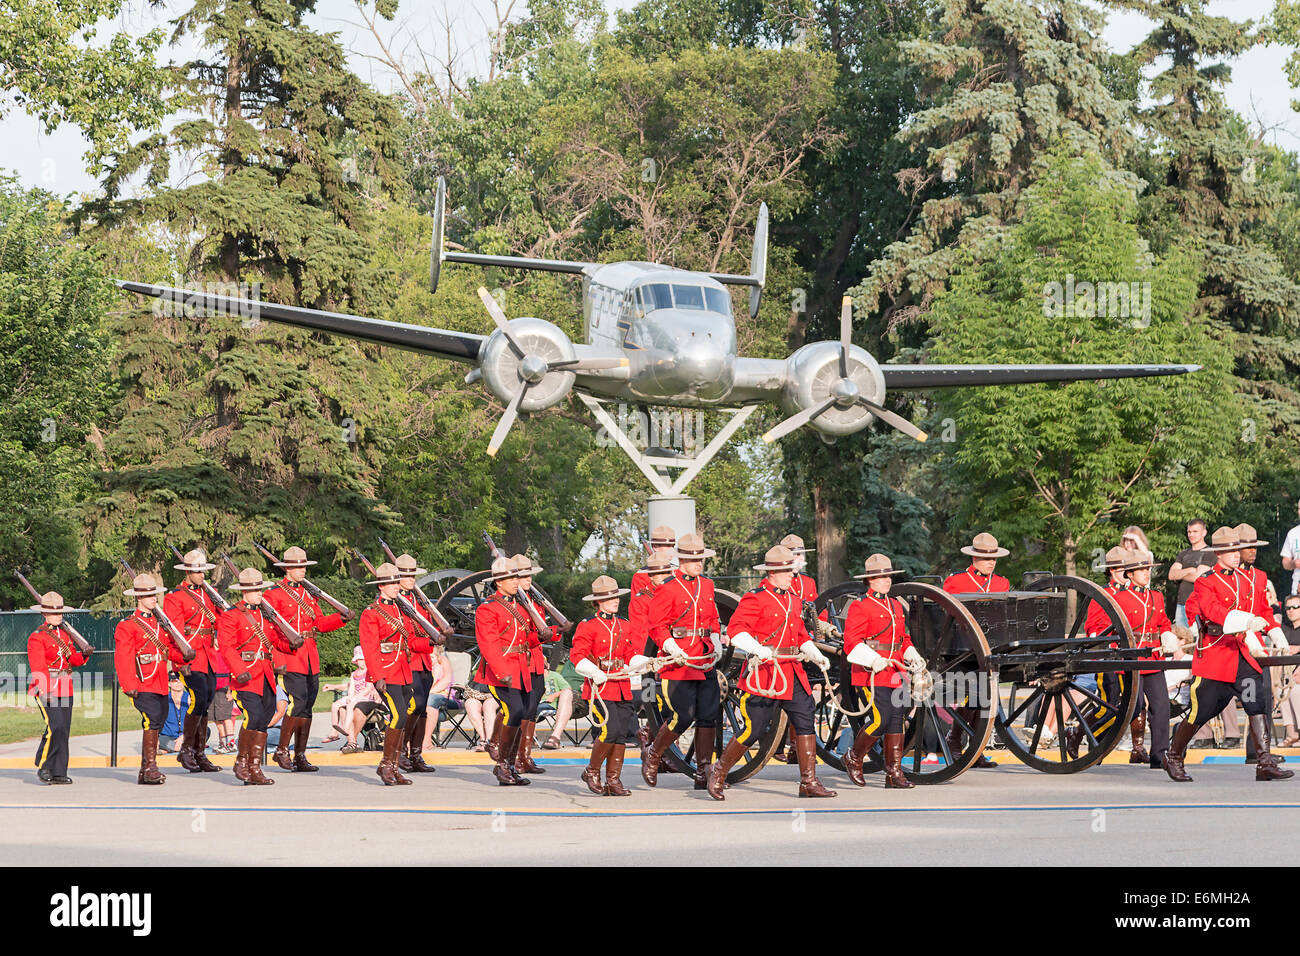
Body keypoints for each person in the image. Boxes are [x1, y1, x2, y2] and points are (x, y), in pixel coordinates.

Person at [1163, 527, 1293, 782]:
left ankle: (1264, 762)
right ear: (1219, 553)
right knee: (1200, 712)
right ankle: (1174, 756)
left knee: (1256, 704)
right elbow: (1212, 611)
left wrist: (1275, 631)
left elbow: (1262, 610)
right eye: (1231, 551)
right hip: (1216, 656)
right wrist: (1244, 619)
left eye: (1237, 550)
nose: (1237, 555)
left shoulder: (1246, 580)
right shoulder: (1205, 581)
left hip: (1241, 655)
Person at [709, 546, 836, 799]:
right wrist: (758, 649)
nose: (792, 574)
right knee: (753, 729)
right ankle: (718, 772)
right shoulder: (754, 598)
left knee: (805, 720)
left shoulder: (792, 598)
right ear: (775, 572)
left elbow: (800, 634)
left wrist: (815, 653)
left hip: (792, 671)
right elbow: (736, 630)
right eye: (788, 570)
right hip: (765, 675)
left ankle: (808, 782)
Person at [642, 532, 723, 791]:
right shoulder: (667, 587)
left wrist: (716, 638)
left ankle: (703, 771)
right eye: (691, 559)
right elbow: (657, 626)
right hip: (678, 661)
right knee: (683, 716)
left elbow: (711, 617)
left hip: (703, 657)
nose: (697, 563)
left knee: (709, 716)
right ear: (681, 560)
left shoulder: (707, 585)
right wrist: (671, 646)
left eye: (700, 558)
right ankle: (654, 754)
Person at [841, 553, 927, 789]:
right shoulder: (860, 606)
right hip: (871, 673)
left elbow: (903, 639)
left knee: (896, 721)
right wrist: (874, 659)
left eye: (888, 575)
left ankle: (894, 773)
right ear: (869, 580)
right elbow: (851, 642)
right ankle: (854, 758)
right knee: (879, 720)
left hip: (896, 671)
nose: (886, 580)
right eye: (880, 577)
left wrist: (913, 656)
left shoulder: (896, 605)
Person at [264, 546, 353, 773]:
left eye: (304, 566)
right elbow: (270, 630)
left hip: (309, 656)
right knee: (296, 704)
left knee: (307, 707)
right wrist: (282, 650)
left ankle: (300, 754)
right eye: (299, 566)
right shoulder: (273, 594)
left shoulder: (307, 593)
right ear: (287, 569)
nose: (303, 570)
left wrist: (341, 618)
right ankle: (282, 749)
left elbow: (320, 624)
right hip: (289, 657)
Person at [219, 567, 300, 785]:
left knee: (263, 719)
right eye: (255, 590)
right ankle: (241, 762)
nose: (259, 593)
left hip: (265, 674)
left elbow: (274, 641)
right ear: (244, 591)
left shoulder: (263, 616)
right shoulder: (231, 615)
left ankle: (255, 768)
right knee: (253, 716)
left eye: (260, 589)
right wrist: (239, 670)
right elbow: (226, 648)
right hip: (245, 675)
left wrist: (291, 644)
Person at [570, 575, 647, 796]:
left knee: (621, 733)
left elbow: (630, 654)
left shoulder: (624, 624)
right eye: (610, 597)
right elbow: (577, 656)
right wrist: (594, 671)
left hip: (621, 685)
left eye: (616, 596)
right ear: (598, 601)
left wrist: (643, 663)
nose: (615, 600)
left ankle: (613, 780)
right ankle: (592, 771)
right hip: (600, 688)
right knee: (609, 730)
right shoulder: (588, 626)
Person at [115, 572, 193, 785]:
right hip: (142, 681)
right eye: (149, 596)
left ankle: (145, 770)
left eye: (154, 595)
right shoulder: (128, 625)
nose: (153, 599)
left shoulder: (160, 624)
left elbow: (166, 649)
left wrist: (183, 658)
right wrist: (129, 685)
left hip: (159, 680)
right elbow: (123, 659)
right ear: (139, 598)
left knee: (158, 719)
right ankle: (150, 767)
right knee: (151, 718)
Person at [359, 561, 432, 785]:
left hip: (403, 670)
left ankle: (392, 765)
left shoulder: (400, 611)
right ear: (381, 586)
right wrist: (378, 675)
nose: (395, 586)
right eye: (390, 583)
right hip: (386, 672)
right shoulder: (371, 613)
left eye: (395, 582)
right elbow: (370, 648)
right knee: (399, 714)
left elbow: (410, 640)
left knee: (402, 714)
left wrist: (431, 642)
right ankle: (386, 765)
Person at [942, 532, 1011, 767]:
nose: (991, 562)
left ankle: (972, 745)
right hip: (964, 647)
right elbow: (948, 616)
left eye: (994, 558)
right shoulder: (956, 581)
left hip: (992, 647)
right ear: (973, 559)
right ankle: (956, 738)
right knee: (980, 694)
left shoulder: (1002, 583)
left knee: (984, 698)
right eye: (985, 558)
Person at [1063, 546, 1132, 758]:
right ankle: (1079, 733)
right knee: (1107, 707)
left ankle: (1089, 738)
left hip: (1128, 656)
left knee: (1128, 707)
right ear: (1112, 571)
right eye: (1122, 569)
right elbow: (1093, 628)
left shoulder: (1133, 594)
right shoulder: (1102, 594)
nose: (1126, 574)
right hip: (1108, 656)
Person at [1113, 550, 1180, 768]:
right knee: (1133, 706)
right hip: (1131, 659)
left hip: (1152, 656)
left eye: (1147, 569)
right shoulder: (1119, 598)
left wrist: (1167, 635)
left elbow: (1163, 622)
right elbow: (1111, 630)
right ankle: (1096, 737)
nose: (1146, 573)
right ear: (1130, 574)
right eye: (1141, 570)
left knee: (1161, 707)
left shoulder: (1156, 596)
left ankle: (1159, 755)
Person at [474, 556, 535, 784]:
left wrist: (550, 634)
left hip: (520, 666)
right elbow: (488, 643)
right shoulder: (488, 608)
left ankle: (509, 764)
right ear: (499, 581)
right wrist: (501, 671)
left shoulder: (518, 605)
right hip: (502, 669)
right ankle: (502, 765)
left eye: (517, 577)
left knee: (521, 713)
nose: (516, 581)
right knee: (514, 711)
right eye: (512, 578)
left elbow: (526, 637)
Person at [164, 549, 223, 772]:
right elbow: (175, 632)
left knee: (206, 701)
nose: (202, 575)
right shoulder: (175, 597)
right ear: (188, 572)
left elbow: (219, 620)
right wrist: (182, 660)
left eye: (204, 571)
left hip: (208, 656)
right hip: (189, 656)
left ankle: (200, 752)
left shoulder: (208, 593)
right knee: (198, 699)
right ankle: (186, 750)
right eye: (198, 571)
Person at [27, 591, 89, 785]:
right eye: (54, 614)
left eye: (60, 613)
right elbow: (38, 667)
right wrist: (44, 690)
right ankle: (44, 765)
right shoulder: (37, 637)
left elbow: (73, 659)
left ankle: (59, 771)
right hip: (46, 687)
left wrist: (85, 654)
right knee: (56, 727)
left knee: (64, 730)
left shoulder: (65, 635)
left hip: (65, 687)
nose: (58, 617)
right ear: (45, 614)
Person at [1237, 524, 1285, 763]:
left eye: (1254, 546)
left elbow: (1263, 610)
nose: (1253, 551)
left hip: (1256, 644)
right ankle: (1175, 751)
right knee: (1208, 704)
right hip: (1232, 642)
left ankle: (1258, 751)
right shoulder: (1229, 576)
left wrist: (1275, 632)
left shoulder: (1260, 576)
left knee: (1262, 696)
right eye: (1248, 546)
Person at [511, 553, 562, 775]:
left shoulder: (533, 600)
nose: (528, 580)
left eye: (529, 575)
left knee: (532, 709)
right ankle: (515, 757)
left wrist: (555, 632)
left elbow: (542, 630)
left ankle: (525, 756)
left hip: (536, 661)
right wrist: (542, 635)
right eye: (523, 576)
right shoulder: (513, 604)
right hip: (521, 661)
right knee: (521, 709)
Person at [629, 551, 674, 769]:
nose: (665, 576)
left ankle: (651, 739)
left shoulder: (669, 594)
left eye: (667, 572)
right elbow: (640, 635)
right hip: (651, 662)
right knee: (652, 704)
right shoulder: (642, 600)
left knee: (670, 706)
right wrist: (649, 661)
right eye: (661, 573)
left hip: (670, 658)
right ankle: (656, 748)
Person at [394, 553, 438, 773]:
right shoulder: (395, 601)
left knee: (422, 709)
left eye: (412, 575)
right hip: (409, 659)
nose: (411, 579)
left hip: (424, 661)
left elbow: (427, 625)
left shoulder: (418, 600)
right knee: (414, 705)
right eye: (405, 575)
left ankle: (416, 754)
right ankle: (401, 752)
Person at [324, 646, 377, 746]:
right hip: (355, 697)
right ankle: (334, 731)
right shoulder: (354, 674)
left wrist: (354, 698)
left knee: (350, 704)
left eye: (364, 659)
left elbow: (368, 689)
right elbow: (351, 687)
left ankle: (346, 727)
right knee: (335, 705)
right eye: (360, 659)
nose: (363, 662)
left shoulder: (369, 672)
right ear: (356, 661)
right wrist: (350, 696)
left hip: (365, 697)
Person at [1169, 518, 1215, 628]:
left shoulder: (1210, 552)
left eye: (1195, 531)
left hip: (1198, 605)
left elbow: (1198, 577)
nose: (1191, 535)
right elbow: (1171, 575)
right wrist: (1190, 570)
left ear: (1204, 533)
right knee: (1183, 640)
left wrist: (1180, 574)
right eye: (1189, 532)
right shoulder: (1184, 553)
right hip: (1181, 604)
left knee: (1197, 640)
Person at [421, 644, 458, 752]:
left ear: (437, 656)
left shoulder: (443, 660)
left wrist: (429, 692)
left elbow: (446, 680)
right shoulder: (424, 665)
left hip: (447, 697)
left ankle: (427, 740)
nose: (430, 659)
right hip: (430, 702)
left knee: (431, 699)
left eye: (432, 657)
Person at [1278, 595, 1300, 747]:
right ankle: (1292, 734)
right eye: (1288, 608)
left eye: (1295, 607)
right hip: (1287, 673)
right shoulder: (1284, 629)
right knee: (1283, 691)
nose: (1291, 611)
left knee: (1295, 691)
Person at [160, 674, 190, 753]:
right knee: (156, 739)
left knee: (205, 731)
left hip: (187, 735)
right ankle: (185, 747)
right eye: (174, 680)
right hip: (168, 736)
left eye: (181, 680)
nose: (178, 683)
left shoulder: (190, 698)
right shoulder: (163, 699)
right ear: (169, 683)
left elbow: (197, 720)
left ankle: (170, 748)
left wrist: (183, 736)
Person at [1281, 499, 1300, 599]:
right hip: (1297, 589)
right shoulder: (1293, 533)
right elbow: (1285, 562)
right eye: (1299, 509)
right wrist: (1293, 564)